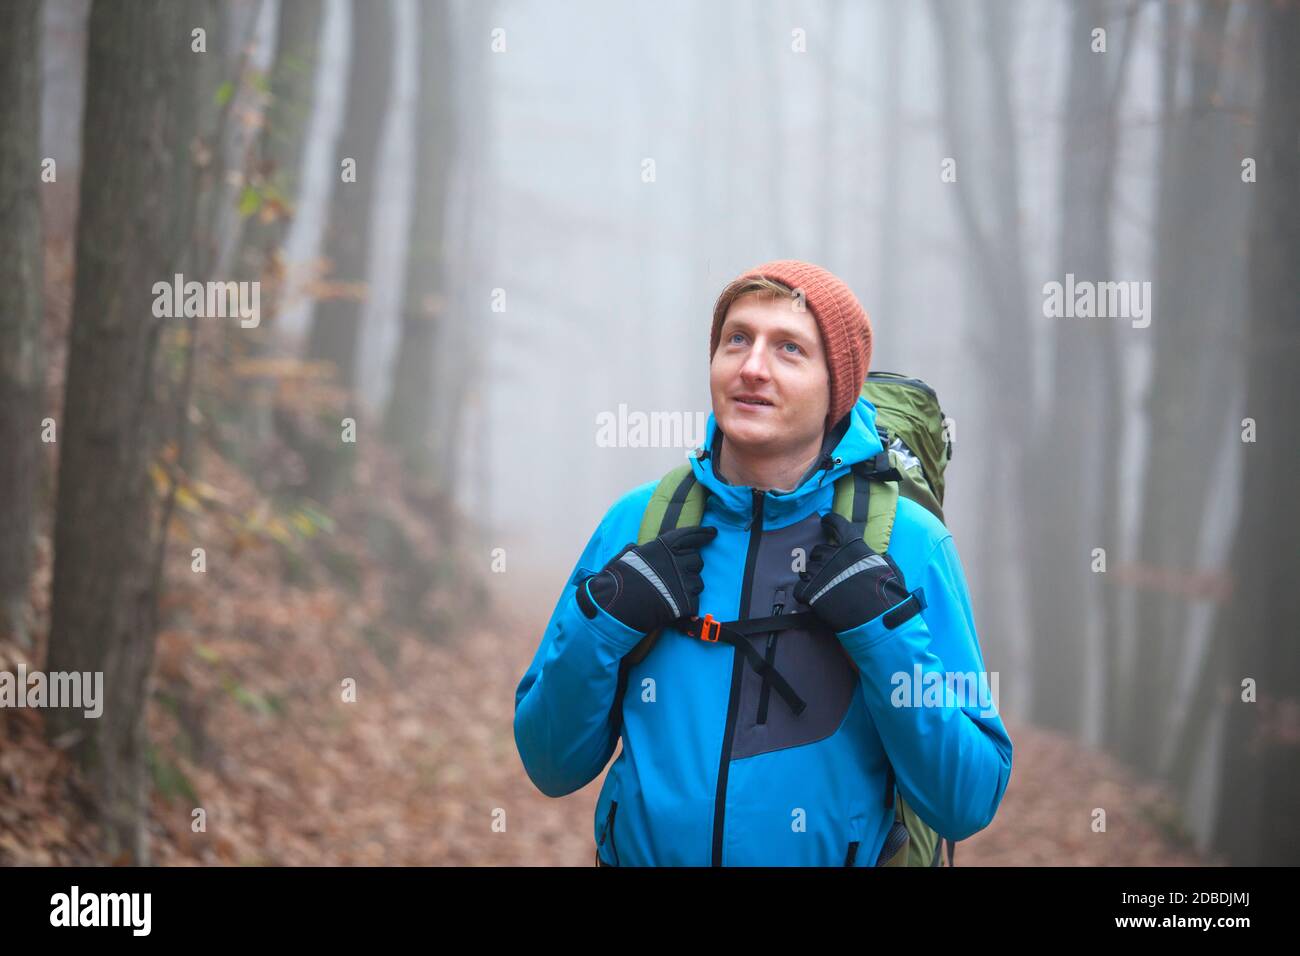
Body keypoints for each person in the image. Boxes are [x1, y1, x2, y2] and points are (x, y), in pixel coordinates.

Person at [513, 259, 1013, 866]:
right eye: (737, 339)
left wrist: (884, 634)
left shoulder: (909, 543)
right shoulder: (641, 522)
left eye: (790, 349)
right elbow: (550, 763)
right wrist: (602, 623)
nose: (753, 367)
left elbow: (966, 800)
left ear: (838, 389)